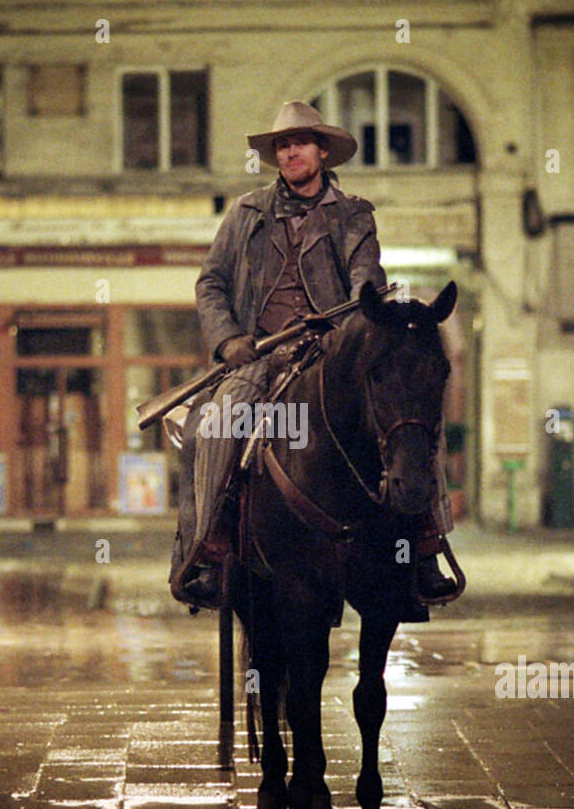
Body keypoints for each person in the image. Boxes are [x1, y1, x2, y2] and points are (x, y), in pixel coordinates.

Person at [170, 101, 456, 608]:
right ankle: (207, 551)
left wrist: (350, 330)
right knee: (209, 427)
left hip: (333, 356)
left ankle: (426, 547)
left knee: (407, 419)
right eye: (282, 145)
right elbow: (210, 282)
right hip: (257, 358)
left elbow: (367, 278)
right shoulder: (245, 215)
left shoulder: (352, 215)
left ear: (322, 152)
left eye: (300, 143)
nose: (290, 152)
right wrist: (228, 339)